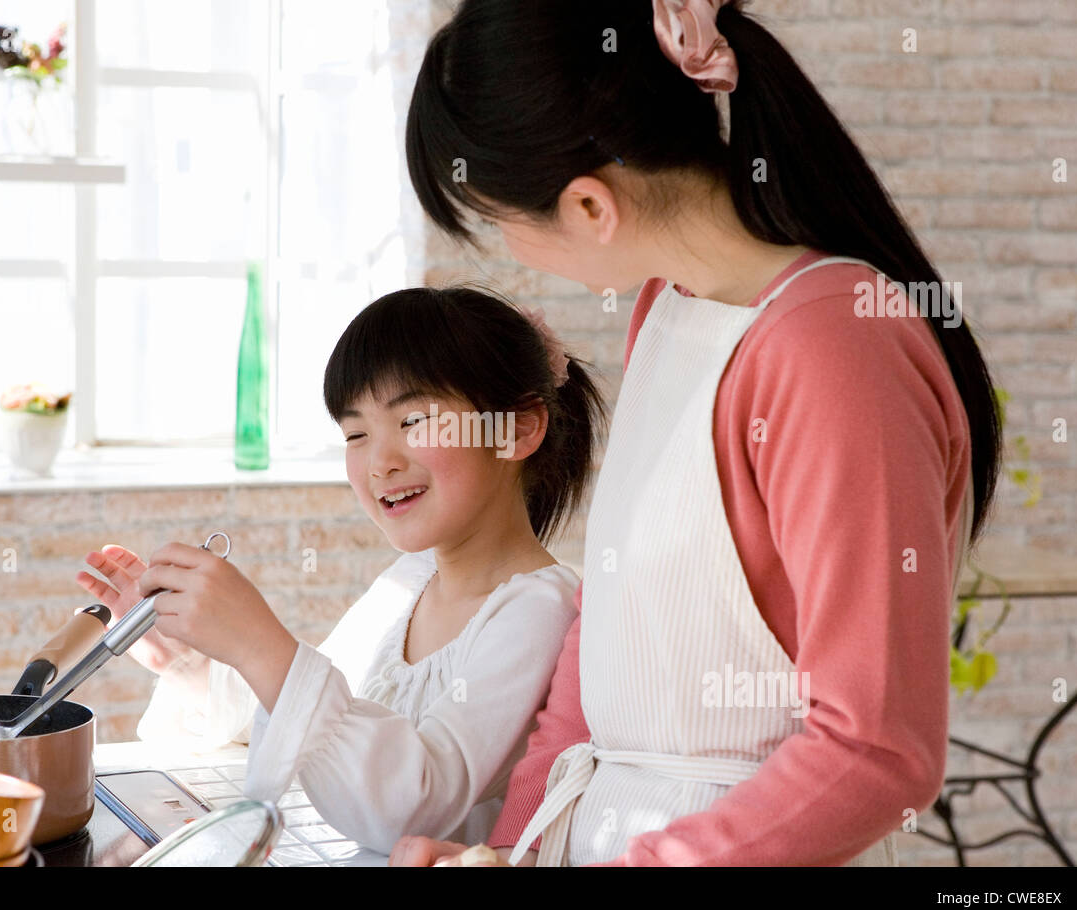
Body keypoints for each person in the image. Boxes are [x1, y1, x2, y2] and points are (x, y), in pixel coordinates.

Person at [390, 0, 1001, 866]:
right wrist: (511, 849)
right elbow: (604, 646)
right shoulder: (668, 307)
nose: (507, 249)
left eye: (498, 222)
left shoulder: (833, 350)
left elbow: (876, 751)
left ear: (590, 206)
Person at [77, 285, 607, 853]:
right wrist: (190, 664)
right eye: (356, 434)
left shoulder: (539, 608)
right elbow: (313, 721)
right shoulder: (407, 583)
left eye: (414, 421)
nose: (380, 462)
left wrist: (260, 642)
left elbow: (411, 805)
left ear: (516, 430)